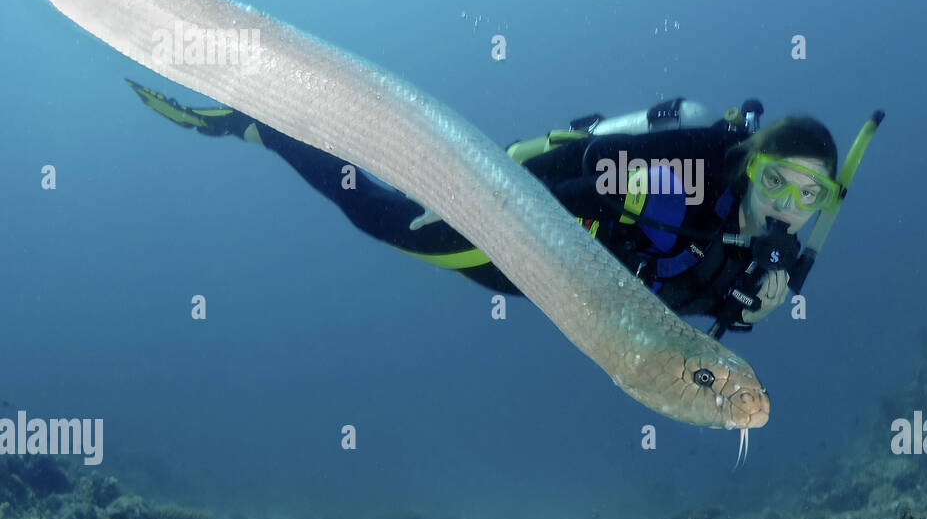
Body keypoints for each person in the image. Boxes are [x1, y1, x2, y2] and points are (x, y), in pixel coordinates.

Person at [126, 86, 842, 334]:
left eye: (810, 196)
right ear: (751, 164)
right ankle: (259, 123)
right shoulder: (681, 175)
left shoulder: (780, 263)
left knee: (396, 211)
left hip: (576, 276)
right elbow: (584, 185)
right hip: (526, 224)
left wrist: (751, 309)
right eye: (777, 179)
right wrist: (500, 222)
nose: (787, 205)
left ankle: (279, 122)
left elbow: (686, 299)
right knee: (391, 220)